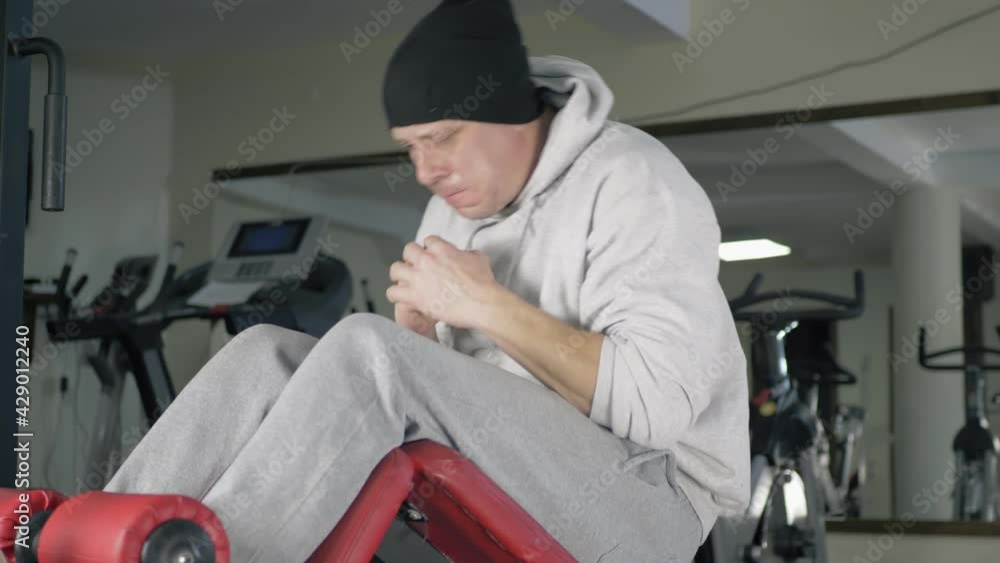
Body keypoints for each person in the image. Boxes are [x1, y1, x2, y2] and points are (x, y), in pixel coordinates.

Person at [104, 1, 750, 561]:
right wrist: (423, 340)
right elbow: (464, 403)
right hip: (526, 471)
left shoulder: (632, 180)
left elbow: (656, 408)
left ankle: (211, 557)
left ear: (508, 113)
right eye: (411, 148)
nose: (425, 170)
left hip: (648, 504)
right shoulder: (456, 207)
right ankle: (105, 534)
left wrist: (483, 305)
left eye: (440, 138)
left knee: (366, 347)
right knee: (264, 353)